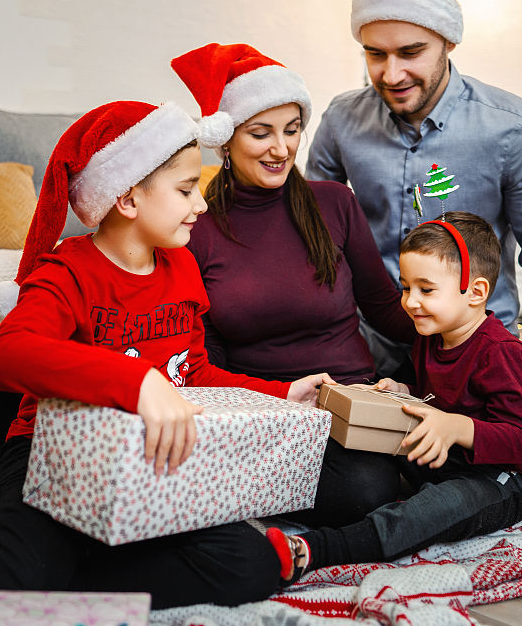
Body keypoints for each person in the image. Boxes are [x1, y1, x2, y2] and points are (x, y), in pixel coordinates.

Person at [0, 100, 332, 609]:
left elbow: (195, 371)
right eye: (186, 190)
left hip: (149, 460)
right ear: (127, 199)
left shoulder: (183, 267)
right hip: (51, 454)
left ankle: (69, 571)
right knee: (14, 581)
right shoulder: (67, 272)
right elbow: (6, 355)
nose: (202, 205)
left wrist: (282, 392)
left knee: (250, 566)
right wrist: (135, 380)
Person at [305, 0, 522, 481]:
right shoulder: (342, 120)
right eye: (375, 54)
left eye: (410, 52)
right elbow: (308, 232)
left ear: (448, 39)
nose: (391, 73)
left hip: (474, 348)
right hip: (377, 343)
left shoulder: (513, 128)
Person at [171, 42, 417, 525]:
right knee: (362, 493)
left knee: (373, 488)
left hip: (354, 401)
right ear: (225, 138)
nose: (281, 149)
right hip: (266, 411)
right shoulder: (196, 226)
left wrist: (471, 338)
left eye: (291, 130)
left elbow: (384, 306)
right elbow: (207, 349)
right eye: (261, 133)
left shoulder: (334, 203)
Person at [266, 212, 522, 582]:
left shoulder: (501, 352)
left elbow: (519, 440)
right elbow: (435, 394)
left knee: (431, 511)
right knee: (363, 447)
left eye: (426, 290)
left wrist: (456, 426)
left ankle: (318, 549)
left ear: (476, 292)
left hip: (500, 477)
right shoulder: (429, 338)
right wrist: (405, 393)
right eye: (405, 287)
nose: (410, 302)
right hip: (442, 458)